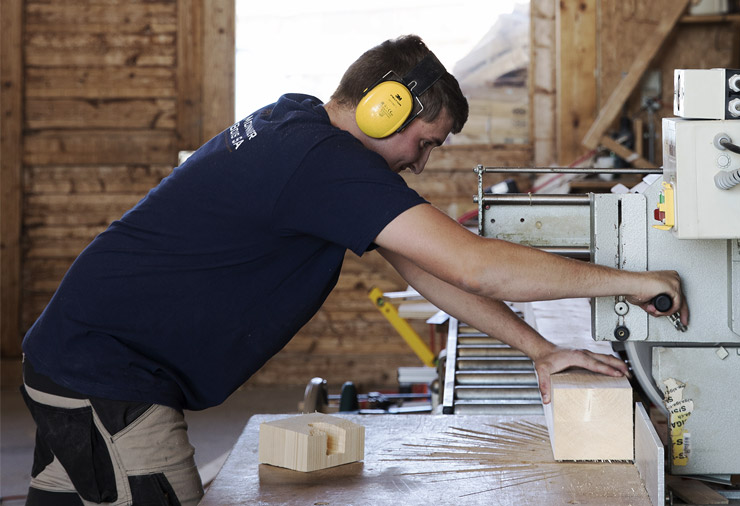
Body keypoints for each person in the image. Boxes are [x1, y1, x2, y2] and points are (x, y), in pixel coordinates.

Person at [19, 34, 688, 505]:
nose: (420, 162)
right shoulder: (324, 163)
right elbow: (476, 266)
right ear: (385, 106)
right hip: (108, 379)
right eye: (424, 142)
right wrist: (633, 284)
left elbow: (430, 270)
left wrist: (539, 350)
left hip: (72, 356)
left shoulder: (297, 122)